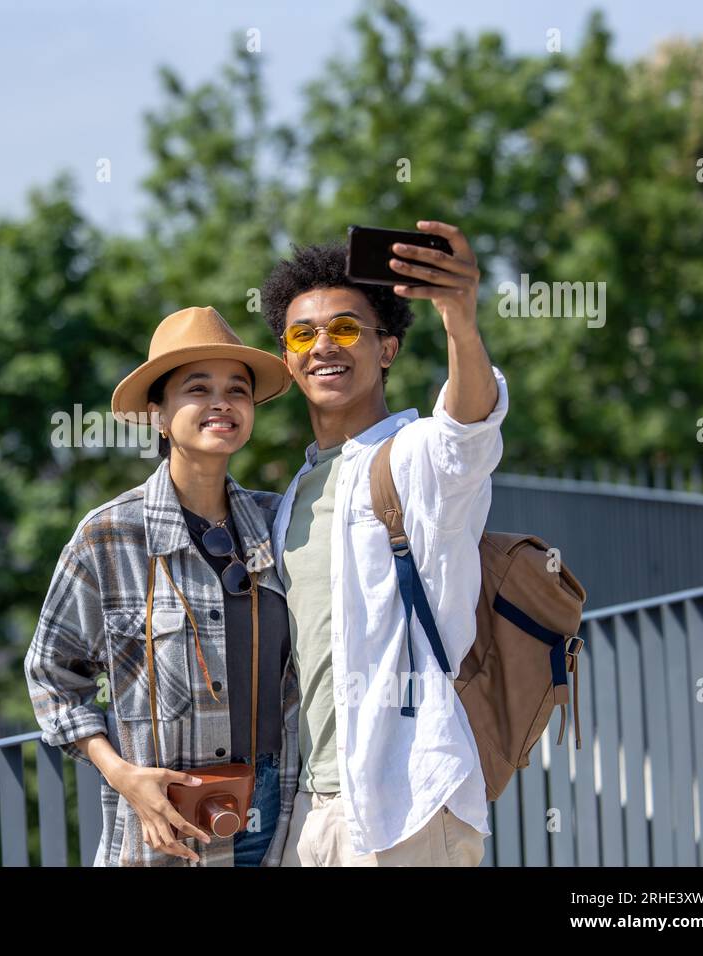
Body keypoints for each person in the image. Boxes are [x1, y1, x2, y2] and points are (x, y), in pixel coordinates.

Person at [263, 222, 506, 866]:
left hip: (406, 803)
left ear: (387, 348)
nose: (324, 347)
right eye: (303, 335)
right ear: (287, 359)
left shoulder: (415, 455)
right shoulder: (294, 496)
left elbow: (468, 431)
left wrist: (459, 319)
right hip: (312, 809)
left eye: (345, 329)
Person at [25, 305, 300, 866]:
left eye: (237, 390)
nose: (222, 402)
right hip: (165, 823)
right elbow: (51, 674)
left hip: (276, 810)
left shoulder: (281, 522)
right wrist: (120, 774)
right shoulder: (108, 537)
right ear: (158, 414)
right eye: (198, 388)